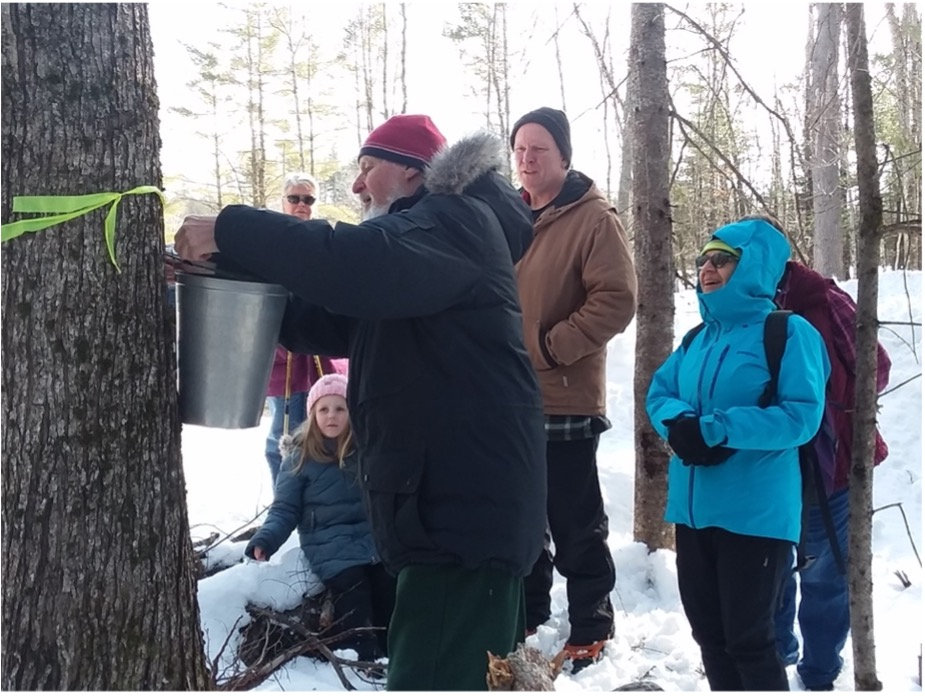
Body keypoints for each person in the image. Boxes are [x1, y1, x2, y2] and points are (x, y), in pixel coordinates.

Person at [173, 114, 547, 691]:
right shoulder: (418, 255)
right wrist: (227, 268)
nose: (357, 186)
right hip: (439, 515)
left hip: (461, 521)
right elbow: (322, 316)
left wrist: (234, 228)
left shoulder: (455, 223)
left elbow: (350, 263)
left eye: (367, 168)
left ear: (410, 170)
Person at [646, 217, 830, 691]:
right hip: (693, 510)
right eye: (703, 259)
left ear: (755, 265)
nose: (708, 268)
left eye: (723, 258)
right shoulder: (696, 339)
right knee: (710, 636)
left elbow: (800, 417)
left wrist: (717, 430)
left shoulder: (790, 333)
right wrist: (679, 424)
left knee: (750, 640)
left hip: (756, 513)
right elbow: (659, 391)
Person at [509, 107, 637, 671]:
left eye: (539, 148)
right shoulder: (509, 217)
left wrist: (549, 346)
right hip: (509, 396)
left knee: (572, 518)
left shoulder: (593, 219)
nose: (527, 158)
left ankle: (591, 624)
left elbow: (616, 299)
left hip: (563, 395)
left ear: (564, 156)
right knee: (521, 516)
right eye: (519, 148)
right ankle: (529, 613)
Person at [753, 218, 893, 692]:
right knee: (771, 570)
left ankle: (818, 673)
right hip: (767, 470)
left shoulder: (822, 299)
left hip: (827, 469)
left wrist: (827, 410)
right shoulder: (737, 302)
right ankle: (778, 658)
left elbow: (877, 367)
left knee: (824, 577)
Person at [245, 373, 394, 663]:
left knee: (388, 583)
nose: (332, 417)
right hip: (328, 542)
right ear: (312, 414)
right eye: (323, 409)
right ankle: (359, 656)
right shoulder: (299, 458)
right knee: (353, 591)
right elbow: (284, 509)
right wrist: (266, 539)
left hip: (368, 538)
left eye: (340, 408)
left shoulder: (362, 451)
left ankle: (391, 652)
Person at [264, 173, 344, 487]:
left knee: (318, 433)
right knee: (282, 436)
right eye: (295, 198)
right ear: (283, 202)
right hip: (283, 360)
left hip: (317, 360)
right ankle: (283, 503)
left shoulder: (320, 238)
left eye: (308, 199)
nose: (301, 205)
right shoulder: (270, 240)